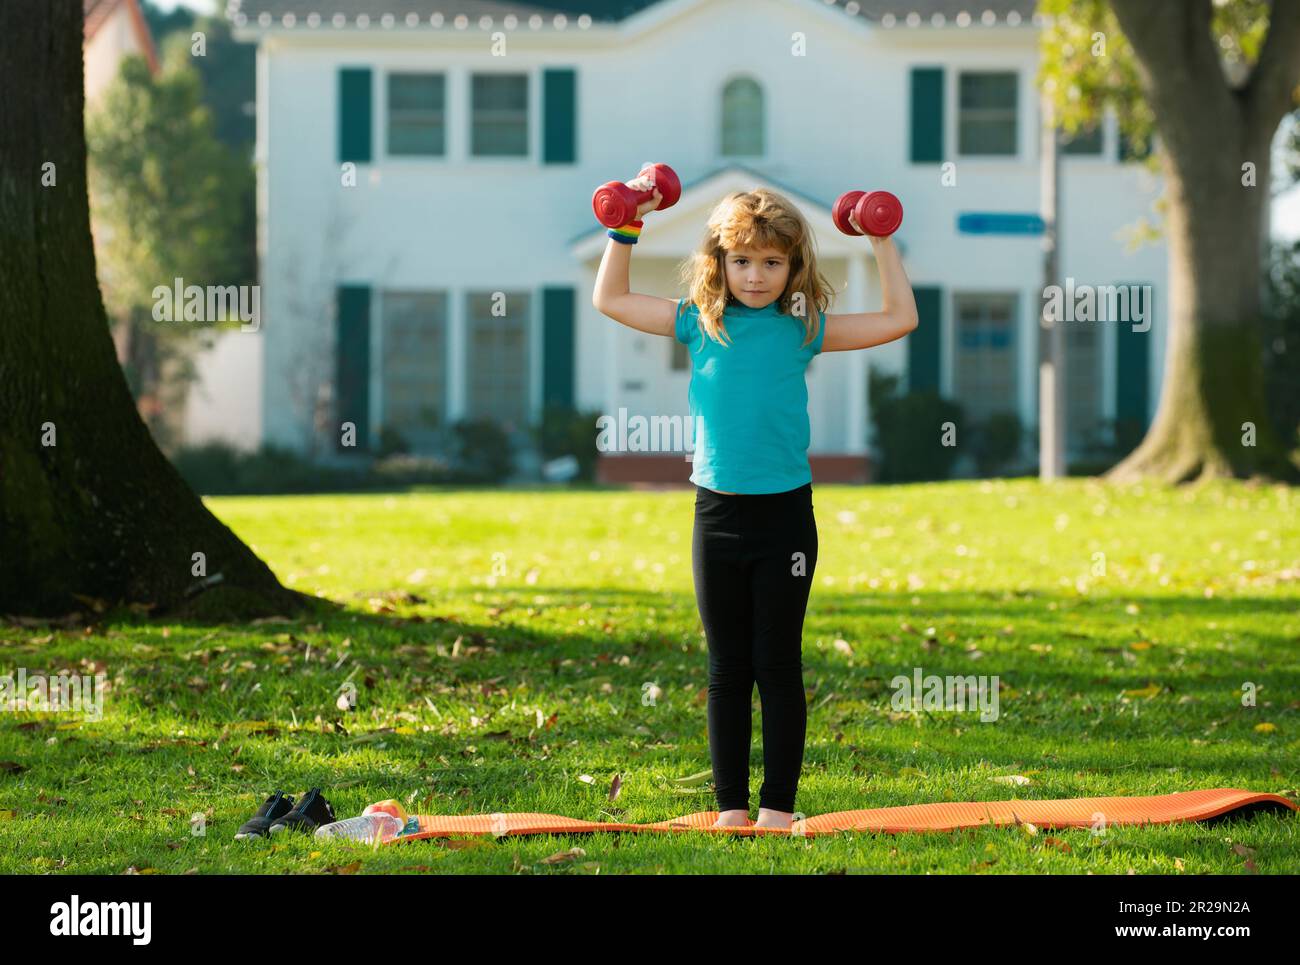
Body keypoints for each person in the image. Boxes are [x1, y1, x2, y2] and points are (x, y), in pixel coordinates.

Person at [592, 181, 918, 830]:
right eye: (742, 261)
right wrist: (625, 227)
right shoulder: (698, 321)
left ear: (795, 267)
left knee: (777, 663)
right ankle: (730, 808)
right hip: (717, 517)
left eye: (773, 262)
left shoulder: (803, 328)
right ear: (719, 261)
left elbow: (898, 319)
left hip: (784, 519)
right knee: (727, 667)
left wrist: (881, 240)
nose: (757, 275)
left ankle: (776, 807)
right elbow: (611, 298)